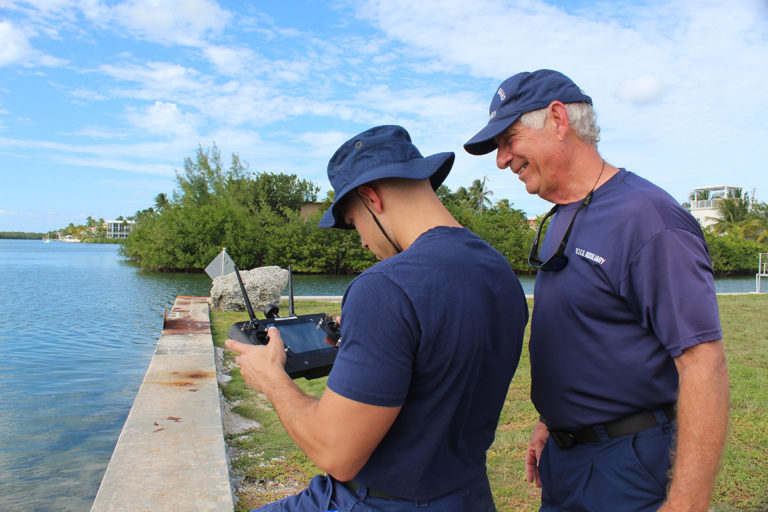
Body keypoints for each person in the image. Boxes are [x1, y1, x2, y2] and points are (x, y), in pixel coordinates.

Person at [463, 69, 729, 512]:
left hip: (628, 463)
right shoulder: (564, 215)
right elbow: (588, 335)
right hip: (567, 459)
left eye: (509, 139)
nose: (502, 159)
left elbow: (704, 364)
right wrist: (554, 421)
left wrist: (686, 503)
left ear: (558, 119)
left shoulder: (648, 219)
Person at [226, 124, 529, 511]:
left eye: (354, 224)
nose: (364, 242)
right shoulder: (499, 270)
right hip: (468, 495)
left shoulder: (385, 286)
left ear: (371, 197)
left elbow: (336, 452)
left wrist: (272, 381)